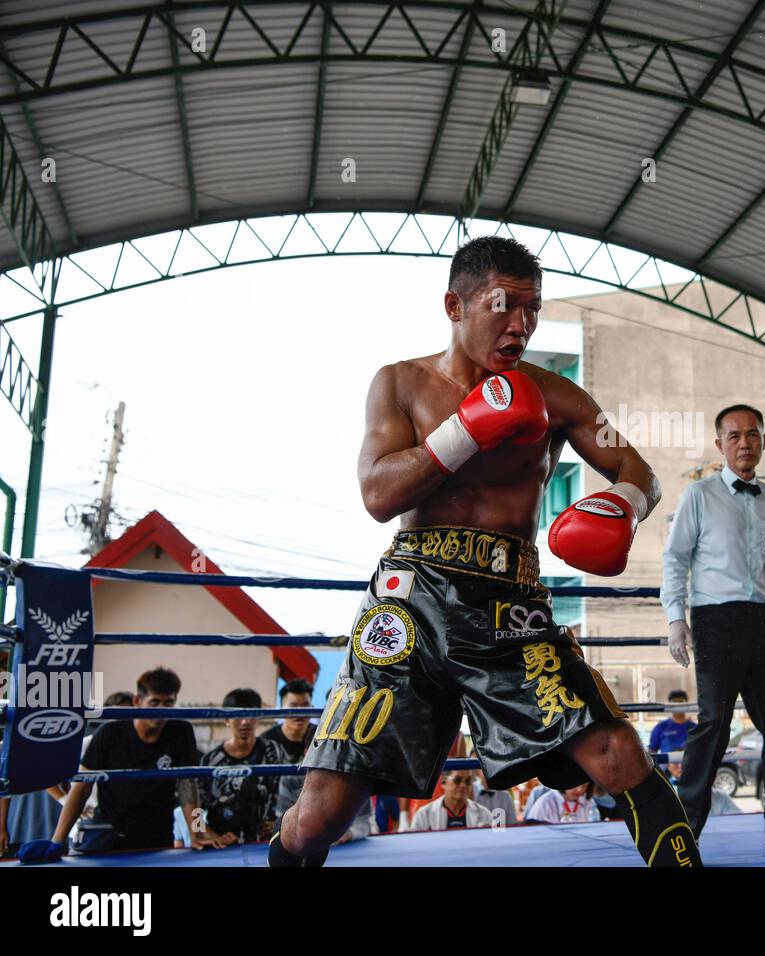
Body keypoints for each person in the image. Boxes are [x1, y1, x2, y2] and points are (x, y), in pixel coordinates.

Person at [274, 236, 700, 868]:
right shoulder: (400, 383)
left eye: (532, 309)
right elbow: (377, 493)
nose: (522, 325)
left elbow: (640, 469)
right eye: (504, 306)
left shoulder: (557, 395)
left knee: (618, 756)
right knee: (320, 813)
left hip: (513, 607)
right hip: (409, 601)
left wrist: (624, 504)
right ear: (455, 305)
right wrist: (466, 430)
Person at [662, 403, 765, 853]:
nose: (745, 443)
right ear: (720, 444)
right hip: (715, 620)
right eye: (735, 436)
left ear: (763, 440)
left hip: (763, 624)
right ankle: (683, 835)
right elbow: (675, 559)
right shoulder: (699, 497)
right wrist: (675, 619)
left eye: (753, 435)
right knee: (713, 725)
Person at [18, 668, 226, 862]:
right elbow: (81, 788)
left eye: (168, 703)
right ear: (138, 701)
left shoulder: (180, 732)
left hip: (157, 838)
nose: (161, 710)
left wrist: (196, 832)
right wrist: (58, 840)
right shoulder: (110, 734)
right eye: (154, 703)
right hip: (109, 838)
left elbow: (189, 787)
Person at [200, 688, 289, 843]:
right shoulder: (210, 761)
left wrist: (284, 822)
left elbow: (295, 793)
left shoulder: (275, 752)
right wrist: (213, 837)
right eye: (238, 715)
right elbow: (191, 812)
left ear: (259, 716)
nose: (245, 721)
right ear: (226, 719)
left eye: (250, 714)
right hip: (223, 849)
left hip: (268, 844)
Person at [409, 771, 494, 830]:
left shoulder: (484, 813)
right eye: (457, 780)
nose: (463, 785)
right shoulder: (423, 815)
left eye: (468, 781)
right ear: (443, 782)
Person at [648, 689, 696, 755]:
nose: (678, 705)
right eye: (674, 702)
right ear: (669, 704)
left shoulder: (694, 728)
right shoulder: (661, 727)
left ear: (686, 704)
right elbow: (652, 752)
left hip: (690, 764)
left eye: (681, 702)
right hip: (666, 763)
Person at [525, 783, 599, 824]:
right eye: (574, 785)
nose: (579, 790)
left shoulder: (588, 802)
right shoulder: (545, 802)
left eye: (584, 786)